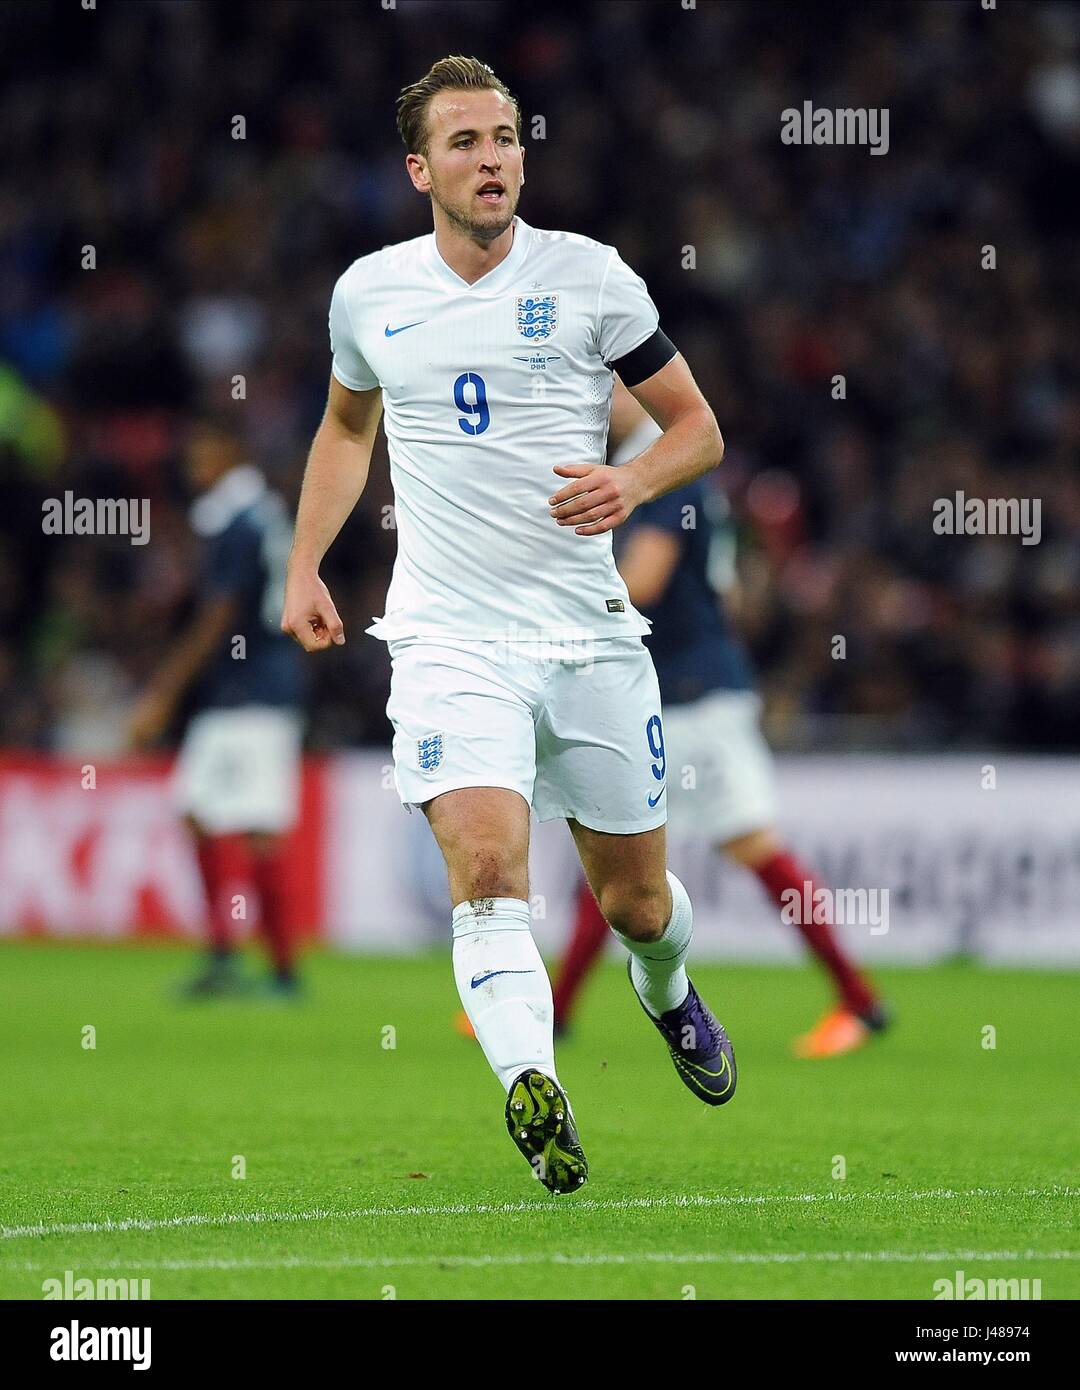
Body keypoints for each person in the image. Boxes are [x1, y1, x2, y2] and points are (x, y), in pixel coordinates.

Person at [281, 56, 734, 1195]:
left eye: (507, 138)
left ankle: (668, 988)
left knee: (635, 903)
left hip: (587, 639)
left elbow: (698, 430)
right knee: (487, 868)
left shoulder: (591, 278)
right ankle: (534, 1087)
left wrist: (632, 487)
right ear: (420, 167)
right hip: (446, 640)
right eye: (469, 142)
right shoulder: (370, 293)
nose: (493, 159)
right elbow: (346, 432)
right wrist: (304, 566)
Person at [548, 381, 888, 1058]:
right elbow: (724, 589)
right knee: (626, 856)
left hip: (693, 701)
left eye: (610, 380)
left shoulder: (657, 468)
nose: (596, 393)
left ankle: (859, 1001)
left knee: (724, 849)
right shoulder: (672, 469)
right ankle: (555, 1012)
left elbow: (642, 581)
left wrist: (550, 591)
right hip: (683, 690)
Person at [131, 413, 306, 998]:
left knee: (255, 826)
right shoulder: (249, 512)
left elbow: (219, 615)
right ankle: (225, 953)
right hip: (238, 691)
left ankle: (282, 971)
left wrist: (163, 691)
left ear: (230, 451)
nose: (192, 464)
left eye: (203, 451)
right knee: (198, 808)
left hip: (256, 690)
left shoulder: (240, 521)